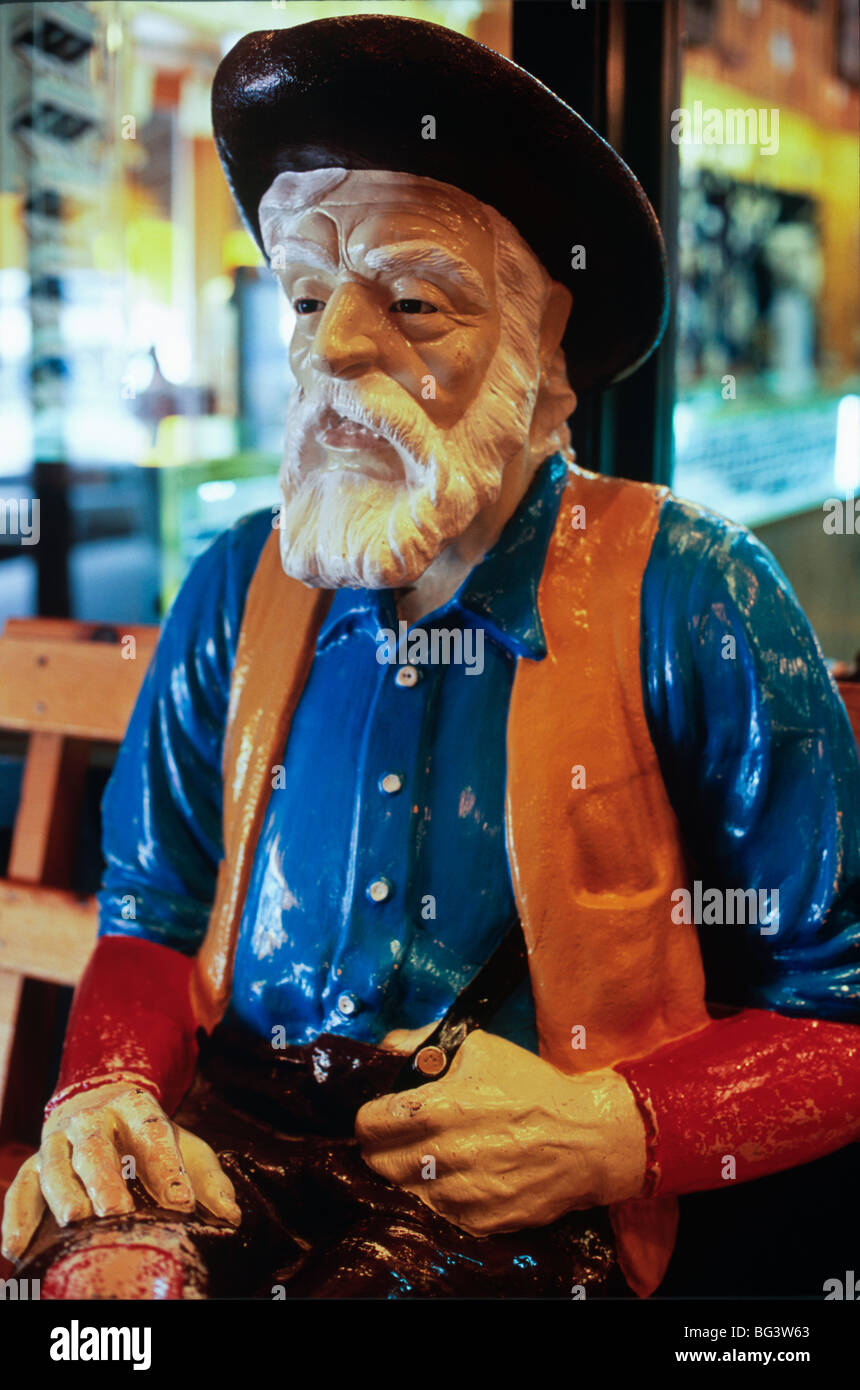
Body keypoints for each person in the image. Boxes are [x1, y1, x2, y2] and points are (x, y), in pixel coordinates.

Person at [3, 15, 858, 1301]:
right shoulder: (238, 582)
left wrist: (618, 1129)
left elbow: (839, 1000)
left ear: (540, 334)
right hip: (227, 1147)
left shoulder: (691, 588)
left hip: (515, 1185)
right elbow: (153, 912)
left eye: (411, 297)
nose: (335, 346)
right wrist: (105, 1090)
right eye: (306, 294)